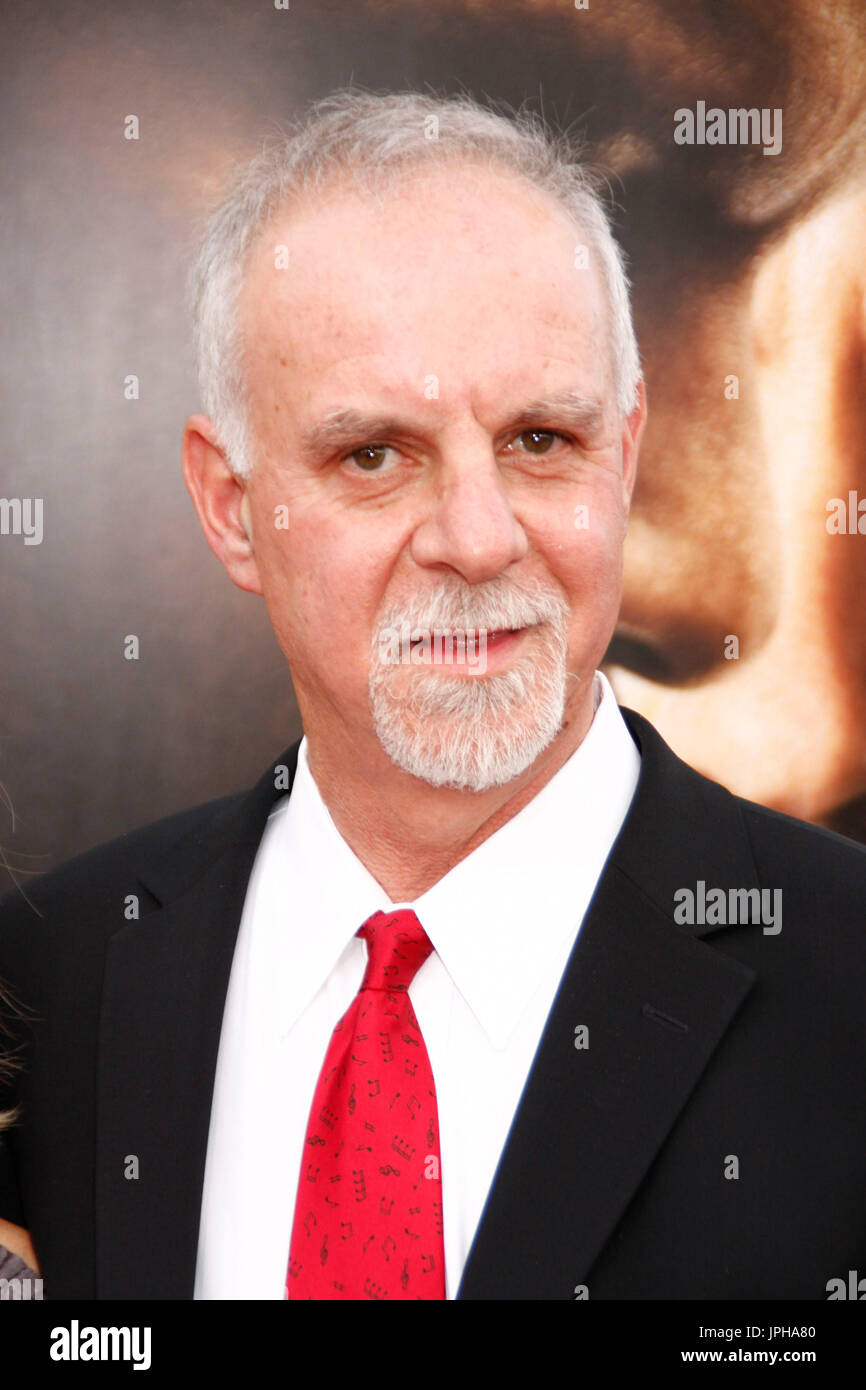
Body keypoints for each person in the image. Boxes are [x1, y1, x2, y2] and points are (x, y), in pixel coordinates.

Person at [1, 88, 864, 1300]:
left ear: (621, 454)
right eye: (374, 455)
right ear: (231, 506)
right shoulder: (50, 979)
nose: (476, 537)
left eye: (538, 440)